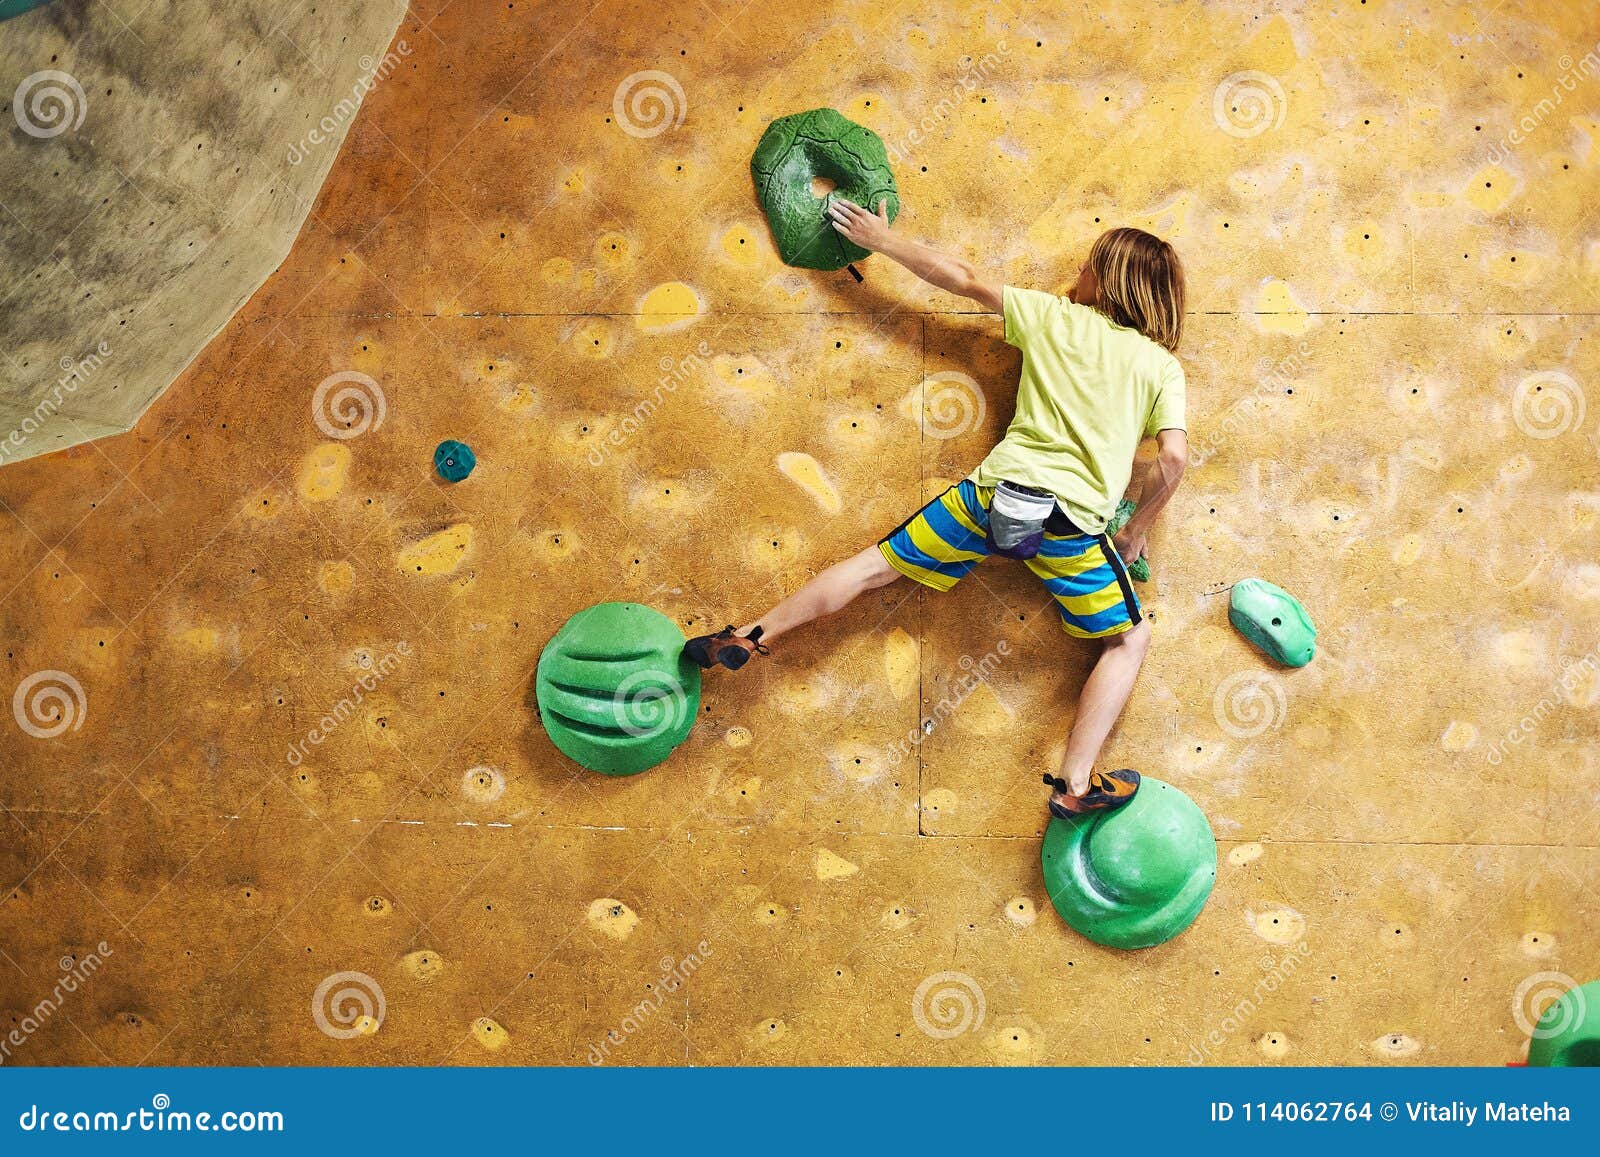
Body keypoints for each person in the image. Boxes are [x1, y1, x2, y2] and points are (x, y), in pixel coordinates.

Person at [685, 198, 1189, 819]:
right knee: (1126, 641)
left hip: (991, 498)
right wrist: (1137, 530)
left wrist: (882, 238)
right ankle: (1075, 784)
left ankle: (749, 635)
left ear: (1107, 279)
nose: (1077, 275)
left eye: (1087, 266)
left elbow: (961, 277)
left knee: (872, 567)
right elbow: (1171, 462)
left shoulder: (1053, 318)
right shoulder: (1162, 367)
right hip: (1069, 528)